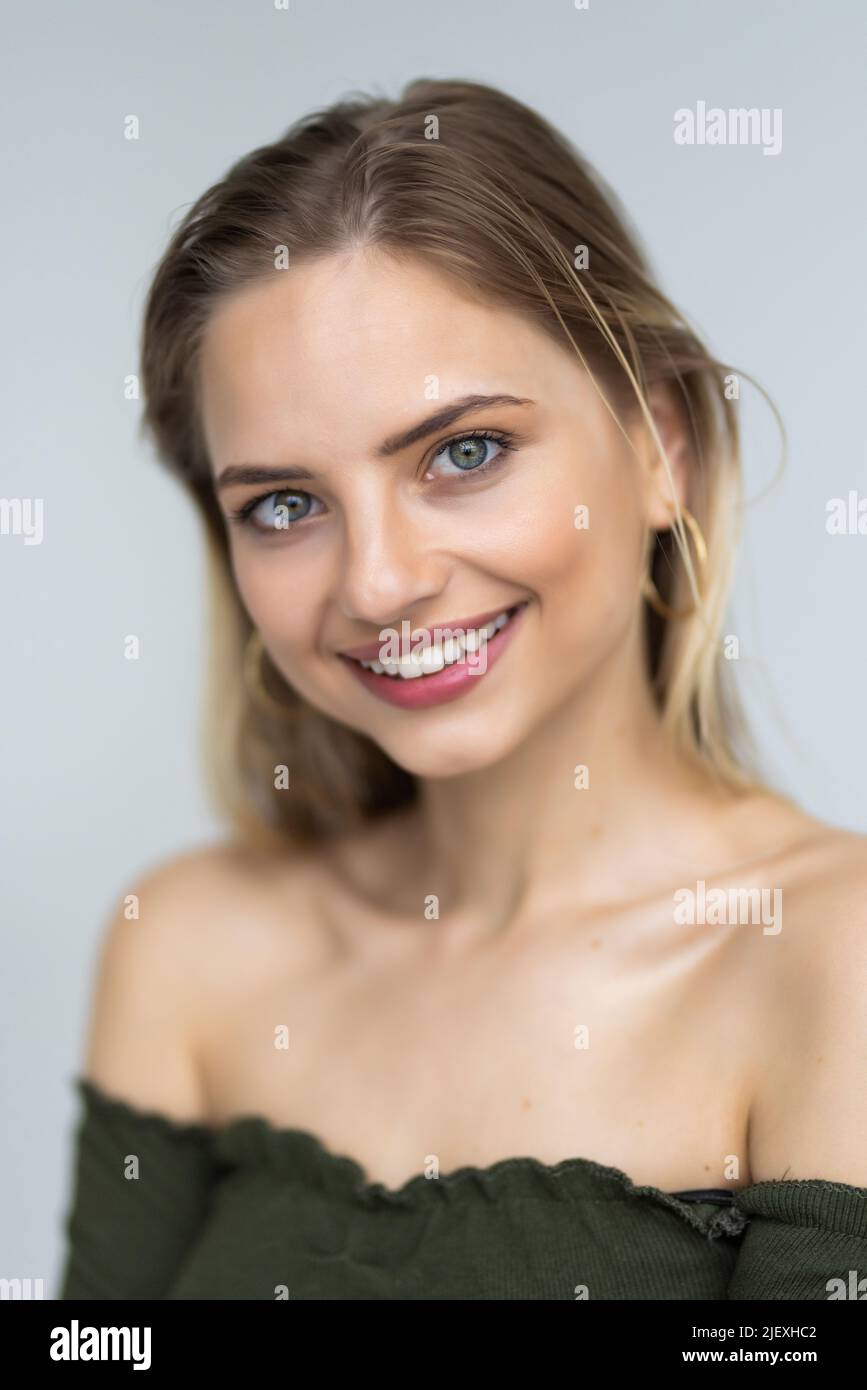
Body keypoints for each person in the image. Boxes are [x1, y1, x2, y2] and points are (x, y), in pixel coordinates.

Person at [59, 78, 867, 1300]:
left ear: (662, 448)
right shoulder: (185, 949)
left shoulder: (831, 961)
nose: (378, 584)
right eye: (285, 504)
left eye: (464, 453)